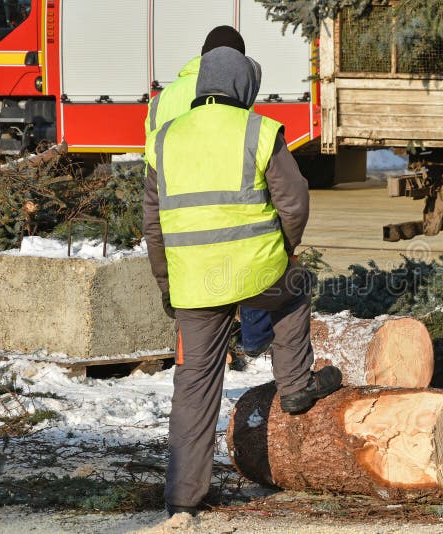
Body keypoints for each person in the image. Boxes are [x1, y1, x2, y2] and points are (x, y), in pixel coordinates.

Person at [143, 46, 342, 517]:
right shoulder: (260, 130)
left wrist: (167, 284)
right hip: (259, 274)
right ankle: (295, 386)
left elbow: (152, 225)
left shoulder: (164, 139)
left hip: (194, 285)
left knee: (194, 386)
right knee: (294, 289)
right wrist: (286, 248)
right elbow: (294, 202)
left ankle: (182, 500)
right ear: (244, 86)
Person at [145, 25, 274, 361]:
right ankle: (250, 342)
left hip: (174, 211)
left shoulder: (161, 100)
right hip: (220, 207)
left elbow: (152, 159)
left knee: (188, 292)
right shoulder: (229, 87)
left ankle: (188, 359)